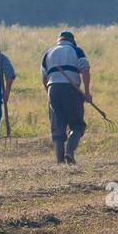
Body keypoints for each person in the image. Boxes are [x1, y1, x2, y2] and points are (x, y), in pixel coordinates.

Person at [40, 31, 91, 165]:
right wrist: (87, 92)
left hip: (53, 88)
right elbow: (85, 70)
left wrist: (50, 93)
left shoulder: (48, 53)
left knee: (58, 124)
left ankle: (60, 160)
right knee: (77, 124)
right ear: (72, 41)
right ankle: (69, 152)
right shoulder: (76, 50)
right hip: (72, 89)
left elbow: (44, 77)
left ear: (59, 41)